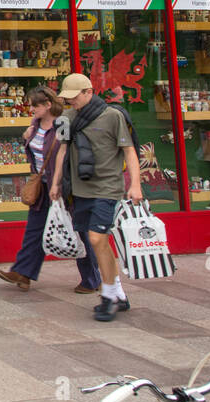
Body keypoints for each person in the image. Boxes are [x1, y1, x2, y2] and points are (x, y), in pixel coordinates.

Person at [48, 73, 143, 322]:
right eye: (67, 98)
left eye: (74, 97)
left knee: (97, 237)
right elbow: (63, 150)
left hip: (107, 188)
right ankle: (118, 294)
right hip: (79, 189)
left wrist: (135, 184)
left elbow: (129, 150)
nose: (71, 102)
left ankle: (109, 296)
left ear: (89, 92)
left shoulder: (113, 116)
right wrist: (56, 181)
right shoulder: (68, 118)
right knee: (97, 243)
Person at [0, 86, 101, 294]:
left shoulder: (63, 123)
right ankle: (23, 273)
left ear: (48, 105)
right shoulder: (35, 124)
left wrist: (58, 184)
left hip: (62, 185)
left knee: (77, 231)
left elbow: (65, 152)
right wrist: (28, 137)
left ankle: (91, 278)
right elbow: (36, 150)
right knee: (34, 229)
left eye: (35, 105)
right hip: (41, 184)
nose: (31, 109)